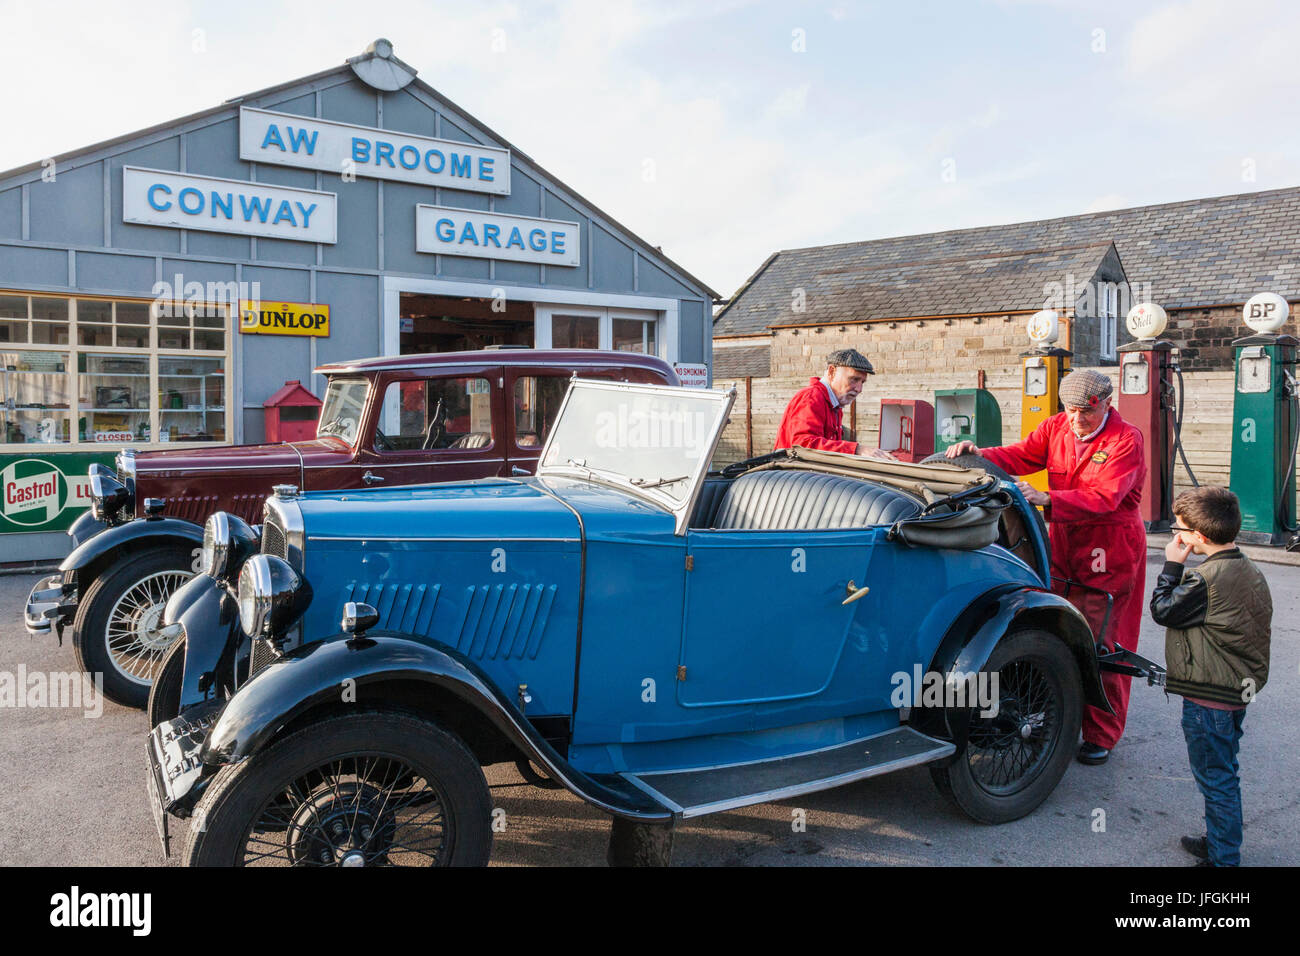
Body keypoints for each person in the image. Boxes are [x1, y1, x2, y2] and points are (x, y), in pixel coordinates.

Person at [945, 368, 1146, 765]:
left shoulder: (1126, 440)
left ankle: (1102, 733)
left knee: (1104, 642)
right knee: (1057, 630)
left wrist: (1047, 498)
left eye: (1087, 412)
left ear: (1108, 404)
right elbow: (1021, 454)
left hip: (1110, 547)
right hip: (1065, 540)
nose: (1077, 419)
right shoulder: (1056, 426)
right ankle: (1055, 717)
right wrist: (981, 454)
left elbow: (1106, 497)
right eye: (1071, 411)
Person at [1149, 487, 1271, 867]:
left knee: (1217, 781)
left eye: (1179, 529)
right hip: (1234, 693)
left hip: (1208, 699)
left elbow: (1163, 610)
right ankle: (1220, 841)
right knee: (1224, 772)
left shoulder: (1205, 580)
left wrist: (1172, 566)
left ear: (1198, 536)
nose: (1175, 535)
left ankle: (1223, 859)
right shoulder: (1247, 568)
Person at [774, 348, 896, 460]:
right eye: (854, 379)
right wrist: (857, 449)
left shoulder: (834, 405)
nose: (859, 389)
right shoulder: (812, 397)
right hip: (791, 473)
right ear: (832, 372)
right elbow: (803, 445)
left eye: (862, 382)